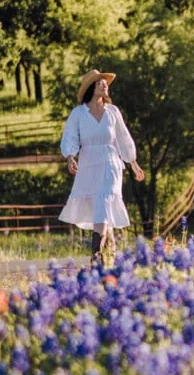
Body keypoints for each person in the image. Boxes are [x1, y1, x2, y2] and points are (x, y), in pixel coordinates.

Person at [59, 69, 144, 261]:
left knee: (103, 203)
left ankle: (96, 254)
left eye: (105, 83)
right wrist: (70, 157)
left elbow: (123, 138)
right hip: (88, 165)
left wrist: (133, 163)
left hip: (111, 164)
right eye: (99, 83)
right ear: (91, 88)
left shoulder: (113, 112)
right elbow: (70, 137)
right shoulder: (78, 114)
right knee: (100, 210)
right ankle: (110, 252)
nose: (104, 85)